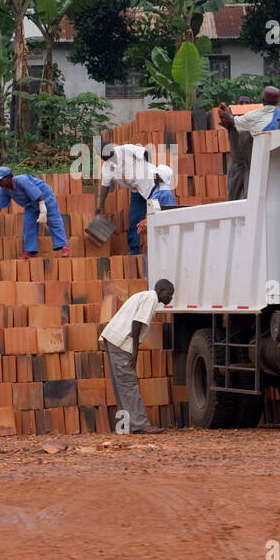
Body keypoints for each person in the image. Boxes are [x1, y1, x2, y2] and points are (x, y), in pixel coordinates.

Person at [98, 279, 174, 434]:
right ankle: (140, 424)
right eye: (170, 294)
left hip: (113, 339)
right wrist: (135, 351)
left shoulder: (144, 296)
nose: (171, 298)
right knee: (128, 384)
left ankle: (127, 425)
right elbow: (136, 323)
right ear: (160, 290)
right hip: (120, 342)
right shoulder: (151, 299)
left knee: (121, 386)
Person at [0, 167, 69, 261]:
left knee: (53, 221)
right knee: (28, 223)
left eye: (1, 180)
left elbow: (39, 195)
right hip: (30, 204)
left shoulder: (22, 180)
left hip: (45, 198)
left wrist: (43, 209)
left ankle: (64, 248)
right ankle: (29, 251)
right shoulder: (3, 189)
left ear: (10, 177)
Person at [217, 87, 280, 200]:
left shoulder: (254, 116)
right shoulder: (248, 117)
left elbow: (235, 120)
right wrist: (226, 114)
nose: (244, 105)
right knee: (232, 199)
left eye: (247, 103)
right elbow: (229, 121)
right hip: (237, 165)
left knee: (250, 197)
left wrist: (229, 115)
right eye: (241, 102)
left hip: (251, 166)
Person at [97, 142, 158, 256]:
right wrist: (100, 205)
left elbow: (146, 152)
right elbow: (105, 186)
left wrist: (150, 169)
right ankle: (135, 251)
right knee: (134, 219)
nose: (106, 158)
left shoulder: (126, 149)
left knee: (157, 215)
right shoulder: (107, 166)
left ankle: (161, 247)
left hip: (150, 185)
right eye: (103, 157)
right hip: (136, 191)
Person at [136, 165, 176, 235]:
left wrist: (148, 221)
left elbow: (168, 216)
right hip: (156, 229)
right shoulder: (156, 189)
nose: (153, 177)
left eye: (155, 175)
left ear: (161, 177)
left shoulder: (166, 193)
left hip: (163, 233)